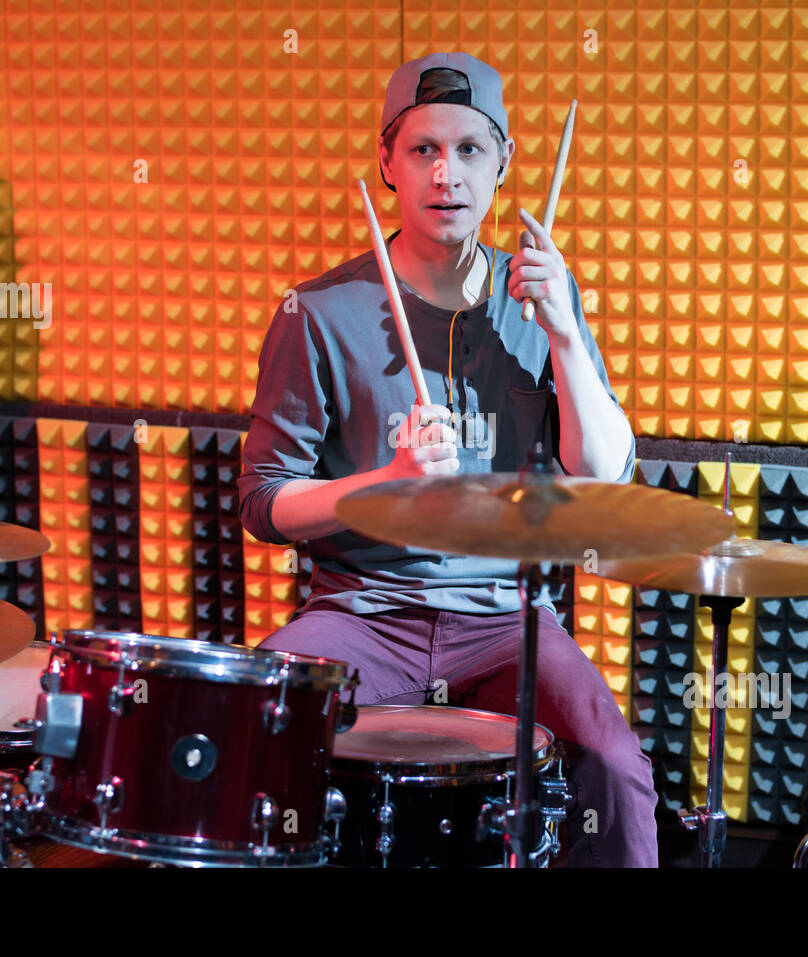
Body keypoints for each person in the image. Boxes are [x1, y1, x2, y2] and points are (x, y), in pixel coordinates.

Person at [238, 52, 659, 867]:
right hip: (362, 613)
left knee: (613, 766)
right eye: (423, 149)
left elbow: (601, 476)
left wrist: (565, 331)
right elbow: (263, 501)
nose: (447, 173)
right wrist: (381, 485)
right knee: (256, 727)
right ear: (387, 166)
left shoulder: (540, 301)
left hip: (506, 621)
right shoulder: (318, 313)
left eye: (470, 149)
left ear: (503, 163)